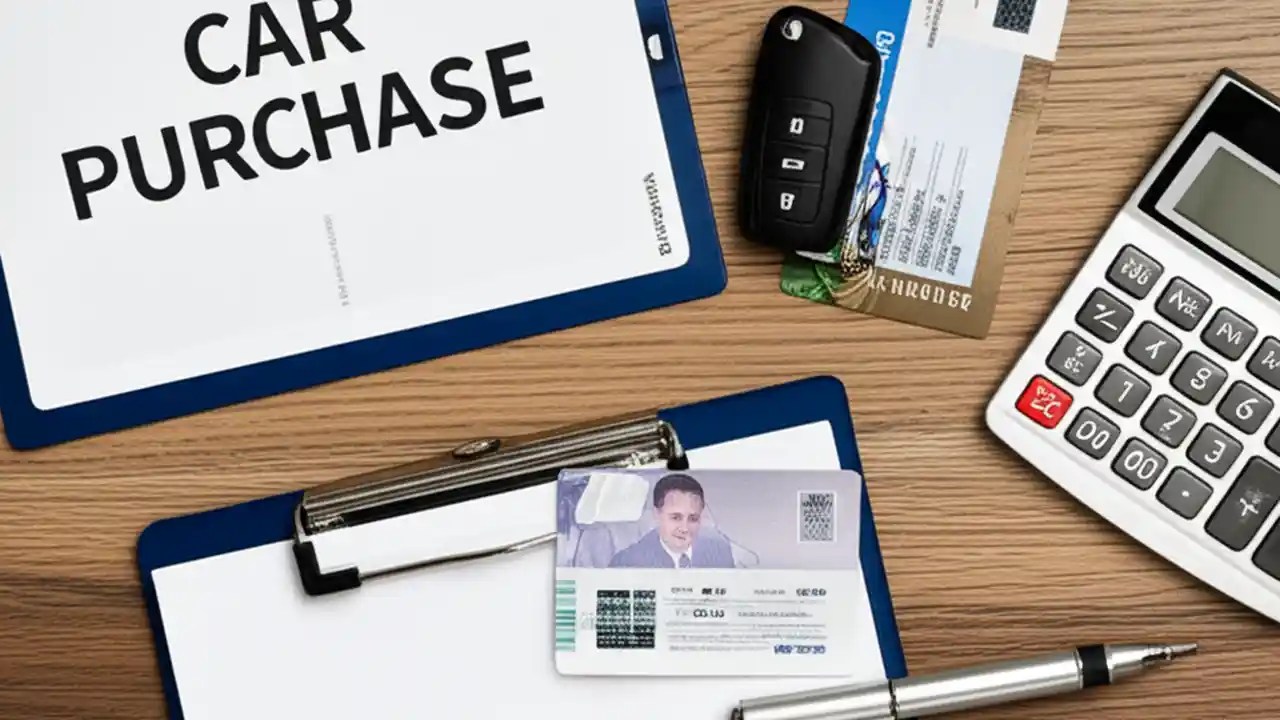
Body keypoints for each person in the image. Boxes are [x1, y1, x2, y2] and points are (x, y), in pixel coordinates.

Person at [608, 474, 734, 569]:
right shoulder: (626, 562)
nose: (684, 528)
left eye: (693, 519)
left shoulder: (720, 550)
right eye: (676, 518)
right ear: (657, 515)